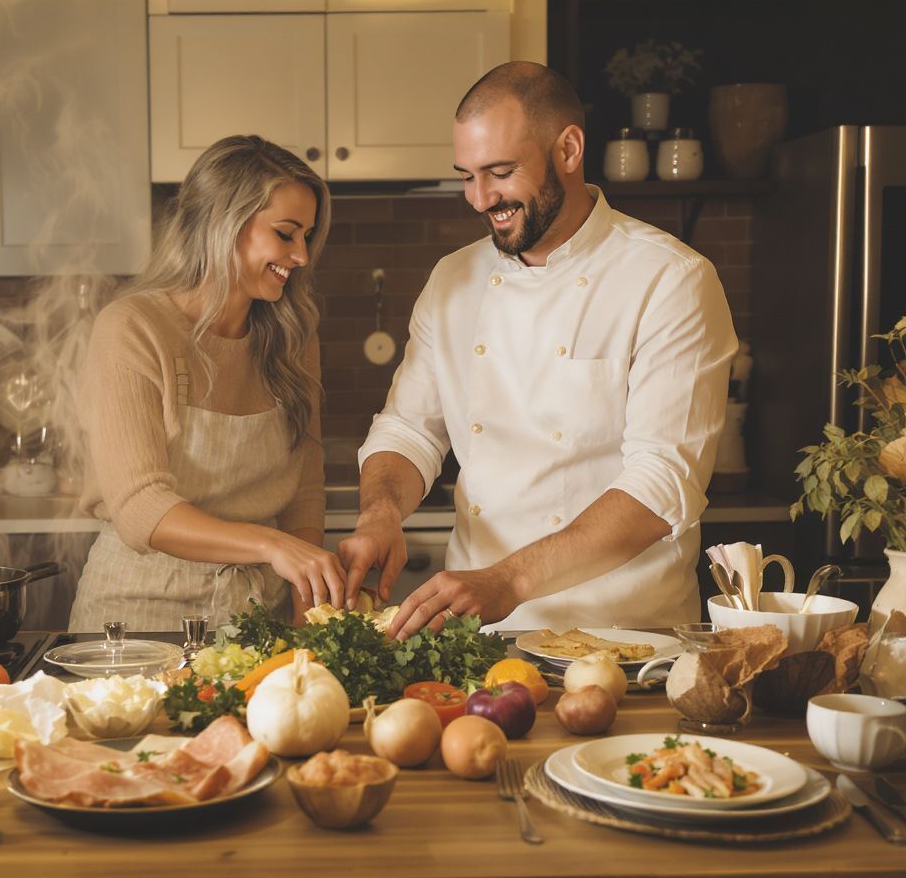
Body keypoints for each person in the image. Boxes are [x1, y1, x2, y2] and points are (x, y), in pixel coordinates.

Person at [338, 62, 738, 640]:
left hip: (623, 639)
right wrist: (379, 515)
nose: (479, 199)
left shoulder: (669, 278)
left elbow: (662, 482)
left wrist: (509, 581)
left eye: (500, 172)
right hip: (478, 638)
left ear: (569, 149)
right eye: (467, 176)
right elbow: (409, 430)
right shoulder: (452, 279)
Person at [70, 135, 346, 632]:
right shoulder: (133, 327)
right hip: (136, 616)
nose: (301, 255)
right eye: (286, 234)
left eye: (306, 235)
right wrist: (273, 545)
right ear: (225, 226)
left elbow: (305, 489)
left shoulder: (294, 337)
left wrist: (311, 597)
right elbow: (140, 508)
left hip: (261, 615)